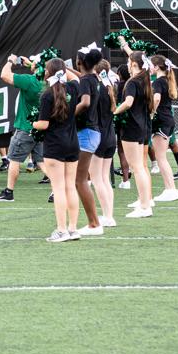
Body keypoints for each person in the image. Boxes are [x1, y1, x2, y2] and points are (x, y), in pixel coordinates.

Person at [32, 58, 81, 242]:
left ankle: (61, 230)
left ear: (49, 72)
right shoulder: (73, 89)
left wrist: (33, 124)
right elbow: (76, 79)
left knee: (58, 188)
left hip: (54, 145)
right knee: (70, 186)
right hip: (72, 143)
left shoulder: (47, 95)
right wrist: (64, 67)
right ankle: (73, 229)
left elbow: (43, 124)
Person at [0, 54, 43, 202]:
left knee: (14, 160)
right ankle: (57, 189)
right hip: (40, 128)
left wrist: (10, 61)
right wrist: (32, 65)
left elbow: (4, 75)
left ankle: (9, 192)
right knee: (42, 162)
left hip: (25, 127)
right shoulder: (48, 83)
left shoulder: (30, 81)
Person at [112, 51, 155, 217]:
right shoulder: (144, 81)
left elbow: (128, 103)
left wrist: (115, 112)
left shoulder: (133, 82)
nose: (128, 64)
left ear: (134, 64)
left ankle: (144, 206)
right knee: (140, 167)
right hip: (142, 126)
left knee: (137, 167)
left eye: (129, 61)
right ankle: (144, 202)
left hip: (131, 127)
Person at [70, 48, 104, 235]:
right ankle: (93, 222)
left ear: (80, 62)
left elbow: (85, 102)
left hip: (86, 133)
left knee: (80, 181)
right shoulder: (94, 78)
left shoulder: (85, 81)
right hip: (93, 132)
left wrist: (68, 115)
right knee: (80, 180)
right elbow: (83, 78)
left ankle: (94, 223)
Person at [149, 56, 178, 202]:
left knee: (161, 158)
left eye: (150, 65)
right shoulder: (166, 81)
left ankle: (171, 189)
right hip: (166, 120)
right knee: (162, 157)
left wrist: (151, 113)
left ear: (156, 67)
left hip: (161, 121)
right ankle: (169, 189)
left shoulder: (158, 82)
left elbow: (156, 99)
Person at [91, 60, 118, 227]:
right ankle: (109, 215)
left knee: (97, 179)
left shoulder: (100, 90)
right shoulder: (110, 88)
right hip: (110, 137)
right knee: (104, 178)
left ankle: (108, 216)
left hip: (100, 137)